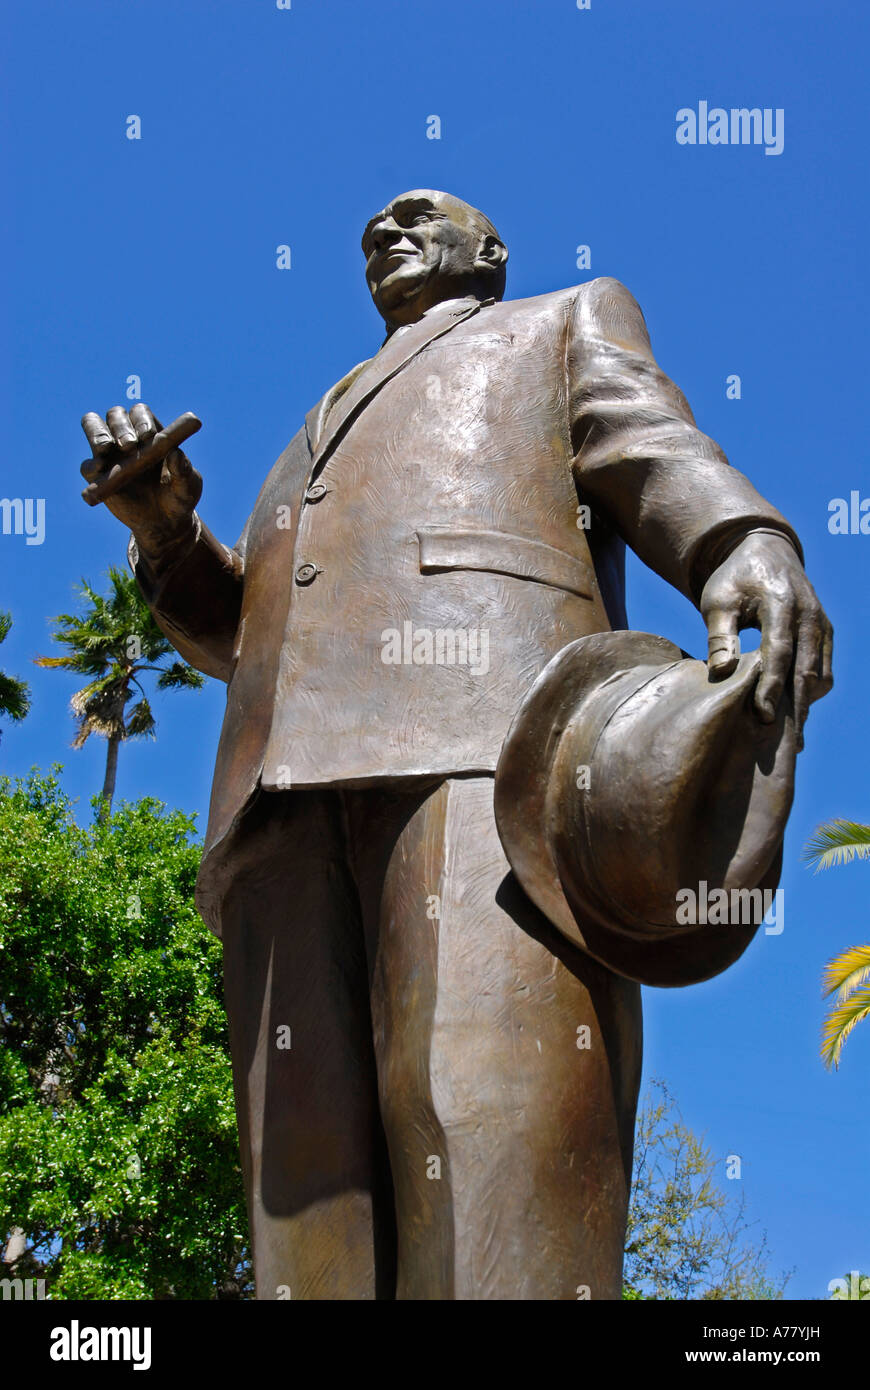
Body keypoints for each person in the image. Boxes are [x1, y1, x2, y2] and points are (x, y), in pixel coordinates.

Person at [80, 190, 832, 1299]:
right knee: (303, 1187)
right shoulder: (309, 434)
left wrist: (743, 540)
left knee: (482, 1129)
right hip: (279, 808)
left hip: (482, 751)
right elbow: (238, 634)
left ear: (491, 252)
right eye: (370, 230)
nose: (385, 233)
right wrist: (167, 531)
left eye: (416, 215)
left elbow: (655, 447)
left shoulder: (562, 322)